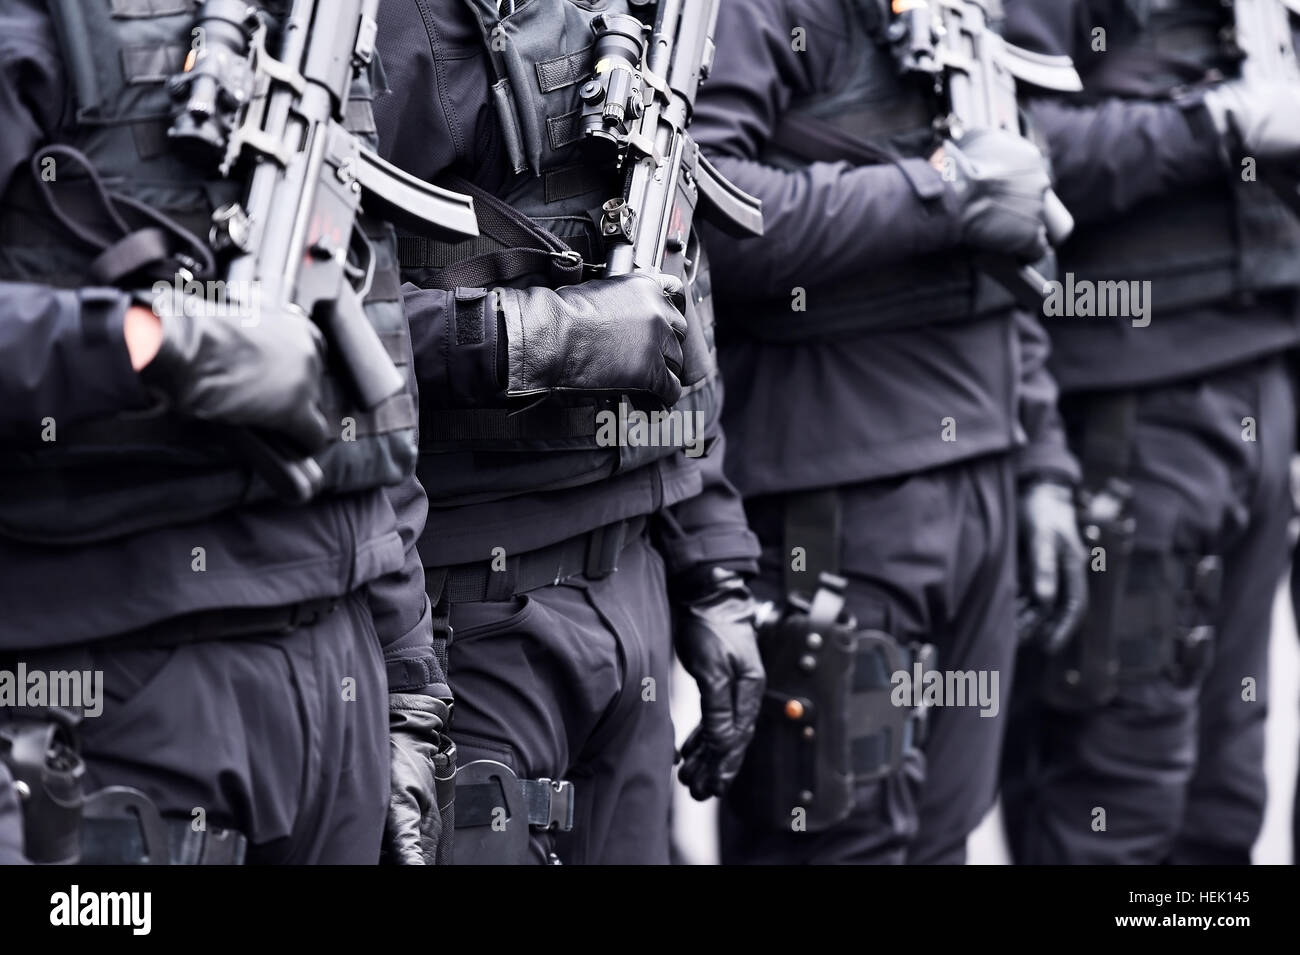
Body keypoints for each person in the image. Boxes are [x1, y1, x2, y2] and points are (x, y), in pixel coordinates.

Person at [0, 0, 450, 864]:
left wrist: (407, 690)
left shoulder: (309, 23)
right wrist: (150, 341)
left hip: (338, 675)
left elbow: (376, 398)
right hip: (118, 691)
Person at [691, 0, 1086, 864]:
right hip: (835, 507)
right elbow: (701, 214)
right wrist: (934, 193)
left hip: (984, 480)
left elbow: (1014, 238)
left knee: (945, 838)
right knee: (838, 845)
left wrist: (1046, 463)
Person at [372, 0, 766, 864]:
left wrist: (714, 570)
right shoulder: (393, 26)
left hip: (634, 580)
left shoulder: (639, 17)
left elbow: (679, 294)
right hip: (471, 610)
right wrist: (546, 336)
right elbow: (327, 319)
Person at [999, 0, 1300, 864]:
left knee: (1221, 807)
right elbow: (1012, 150)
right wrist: (1219, 122)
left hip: (1262, 384)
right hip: (1131, 412)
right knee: (1115, 803)